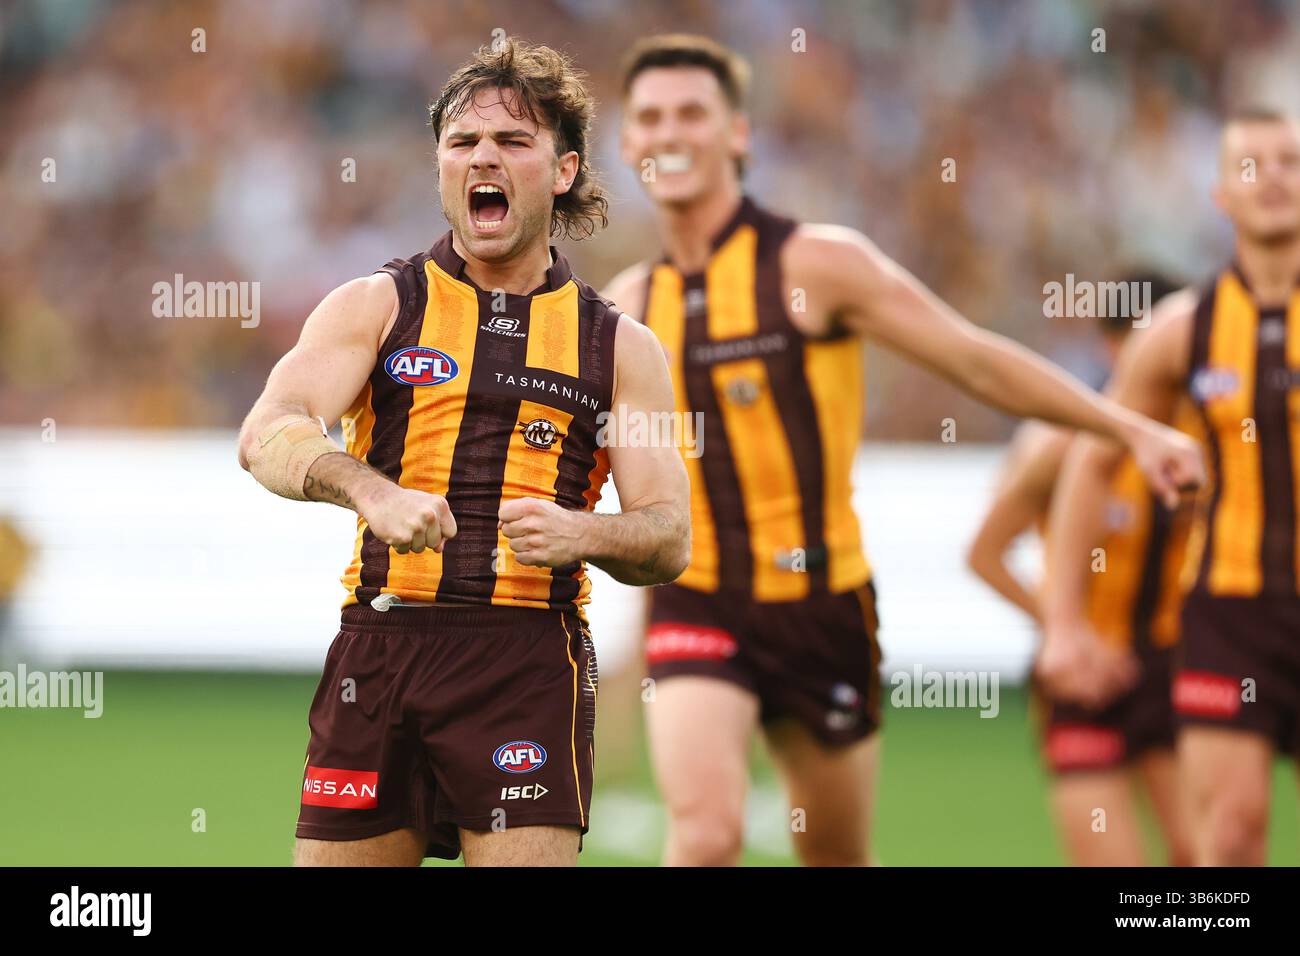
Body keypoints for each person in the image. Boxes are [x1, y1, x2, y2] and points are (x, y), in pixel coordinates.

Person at [602, 33, 1203, 866]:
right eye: (651, 117)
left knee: (838, 856)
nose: (671, 132)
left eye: (693, 113)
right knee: (706, 835)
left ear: (738, 133)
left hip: (826, 604)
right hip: (699, 602)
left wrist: (1129, 426)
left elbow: (972, 357)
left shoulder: (819, 263)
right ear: (628, 143)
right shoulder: (625, 307)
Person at [237, 39, 690, 867]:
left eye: (513, 142)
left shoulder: (620, 346)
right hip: (378, 652)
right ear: (441, 167)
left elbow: (669, 536)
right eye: (462, 142)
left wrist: (585, 533)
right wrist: (369, 492)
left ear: (562, 171)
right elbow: (268, 431)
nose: (484, 156)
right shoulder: (378, 304)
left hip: (525, 661)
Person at [1043, 110, 1300, 867]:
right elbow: (1093, 460)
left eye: (1290, 160)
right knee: (1226, 837)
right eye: (1251, 165)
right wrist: (1063, 622)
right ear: (1221, 192)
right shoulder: (1180, 331)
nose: (1275, 177)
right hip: (1230, 613)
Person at [968, 273, 1195, 865]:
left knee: (1203, 860)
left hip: (1173, 670)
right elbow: (984, 553)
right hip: (1080, 681)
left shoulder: (1203, 444)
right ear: (1114, 348)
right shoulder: (1060, 443)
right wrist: (1067, 631)